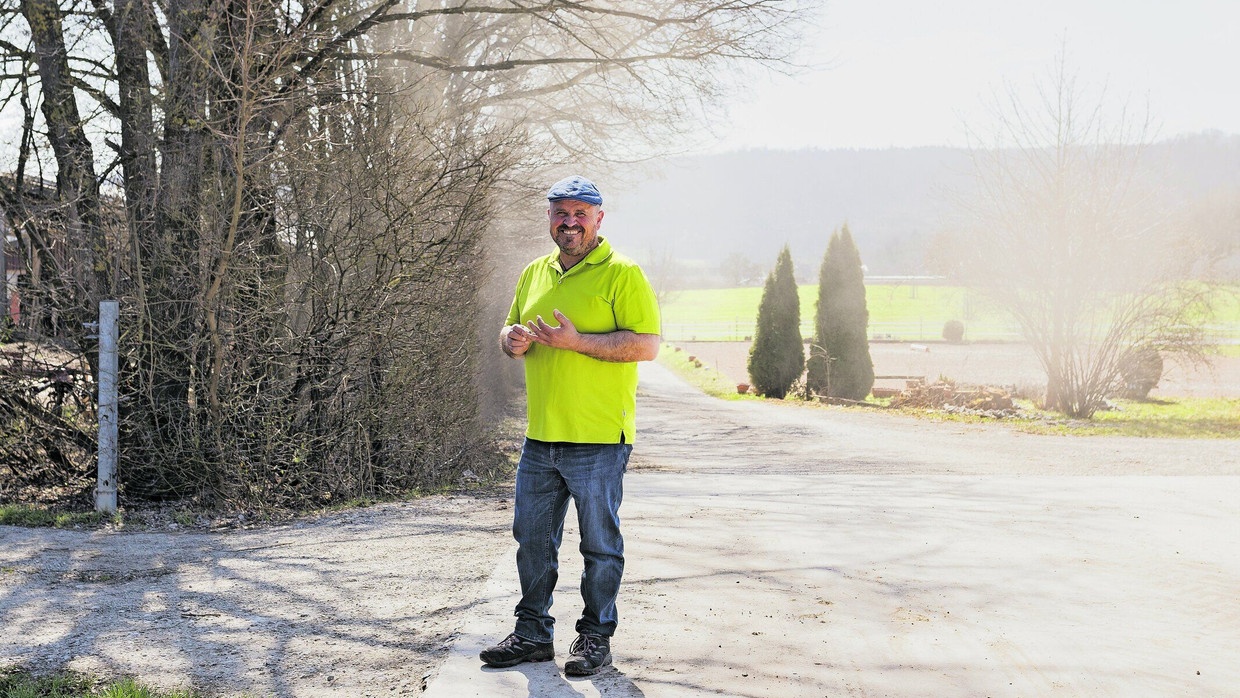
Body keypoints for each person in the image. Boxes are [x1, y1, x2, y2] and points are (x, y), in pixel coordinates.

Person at [480, 175, 661, 676]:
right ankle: (533, 634)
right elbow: (508, 329)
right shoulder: (534, 271)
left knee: (599, 544)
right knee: (532, 538)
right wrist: (511, 339)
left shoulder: (623, 273)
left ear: (599, 219)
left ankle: (595, 638)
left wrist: (576, 342)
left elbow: (646, 346)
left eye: (581, 213)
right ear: (550, 218)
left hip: (600, 438)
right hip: (540, 437)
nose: (570, 221)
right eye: (561, 212)